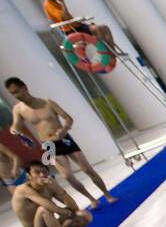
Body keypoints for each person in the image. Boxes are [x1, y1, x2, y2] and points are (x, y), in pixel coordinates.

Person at [6, 77, 117, 209]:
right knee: (67, 176)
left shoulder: (47, 102)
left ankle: (107, 195)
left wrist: (64, 130)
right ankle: (91, 198)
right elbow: (16, 127)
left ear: (25, 87)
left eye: (17, 91)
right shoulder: (18, 109)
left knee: (87, 169)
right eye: (12, 93)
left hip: (64, 139)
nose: (16, 95)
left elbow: (68, 118)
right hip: (49, 145)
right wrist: (16, 132)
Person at [10, 160, 91, 227]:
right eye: (37, 172)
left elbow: (74, 207)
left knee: (84, 215)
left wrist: (57, 187)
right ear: (28, 175)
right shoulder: (22, 189)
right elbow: (46, 204)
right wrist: (67, 214)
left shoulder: (49, 186)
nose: (42, 175)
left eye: (44, 172)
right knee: (43, 209)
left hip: (52, 226)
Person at [36, 0, 116, 50]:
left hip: (77, 26)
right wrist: (63, 2)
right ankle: (103, 51)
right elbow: (65, 17)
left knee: (105, 28)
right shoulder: (48, 5)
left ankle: (112, 52)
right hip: (70, 30)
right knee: (98, 29)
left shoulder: (55, 3)